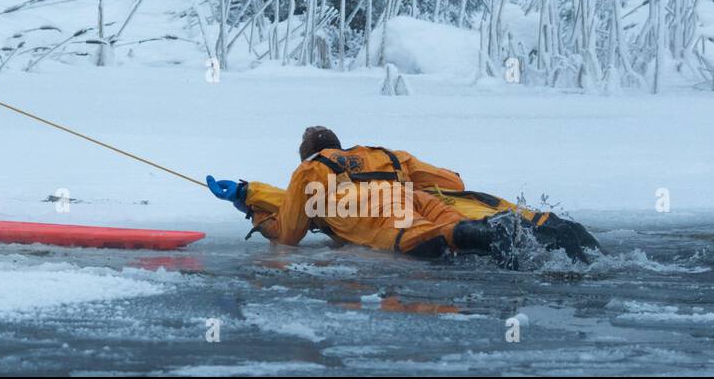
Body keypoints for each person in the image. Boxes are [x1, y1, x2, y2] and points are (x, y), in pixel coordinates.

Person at [207, 125, 600, 268]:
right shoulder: (385, 154)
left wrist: (254, 212)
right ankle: (515, 232)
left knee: (421, 238)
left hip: (370, 211)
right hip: (410, 194)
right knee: (453, 225)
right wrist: (251, 193)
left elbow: (291, 230)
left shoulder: (312, 169)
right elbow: (453, 181)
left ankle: (487, 238)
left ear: (305, 153)